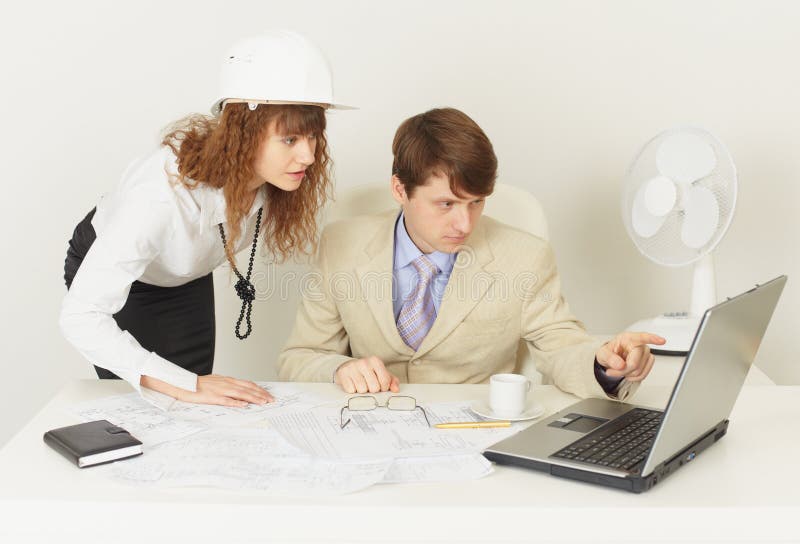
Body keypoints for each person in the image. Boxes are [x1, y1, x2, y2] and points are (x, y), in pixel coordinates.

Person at [277, 107, 665, 401]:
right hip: (368, 429)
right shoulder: (341, 243)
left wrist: (604, 363)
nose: (465, 223)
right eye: (445, 204)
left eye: (476, 202)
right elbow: (299, 356)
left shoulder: (525, 257)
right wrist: (340, 369)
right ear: (399, 190)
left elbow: (561, 346)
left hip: (475, 436)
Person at [61, 30, 350, 408]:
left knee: (198, 405)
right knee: (147, 402)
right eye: (291, 140)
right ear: (243, 132)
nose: (309, 157)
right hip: (130, 277)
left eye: (313, 138)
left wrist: (191, 387)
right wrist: (184, 385)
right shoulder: (159, 197)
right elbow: (80, 317)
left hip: (183, 277)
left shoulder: (269, 179)